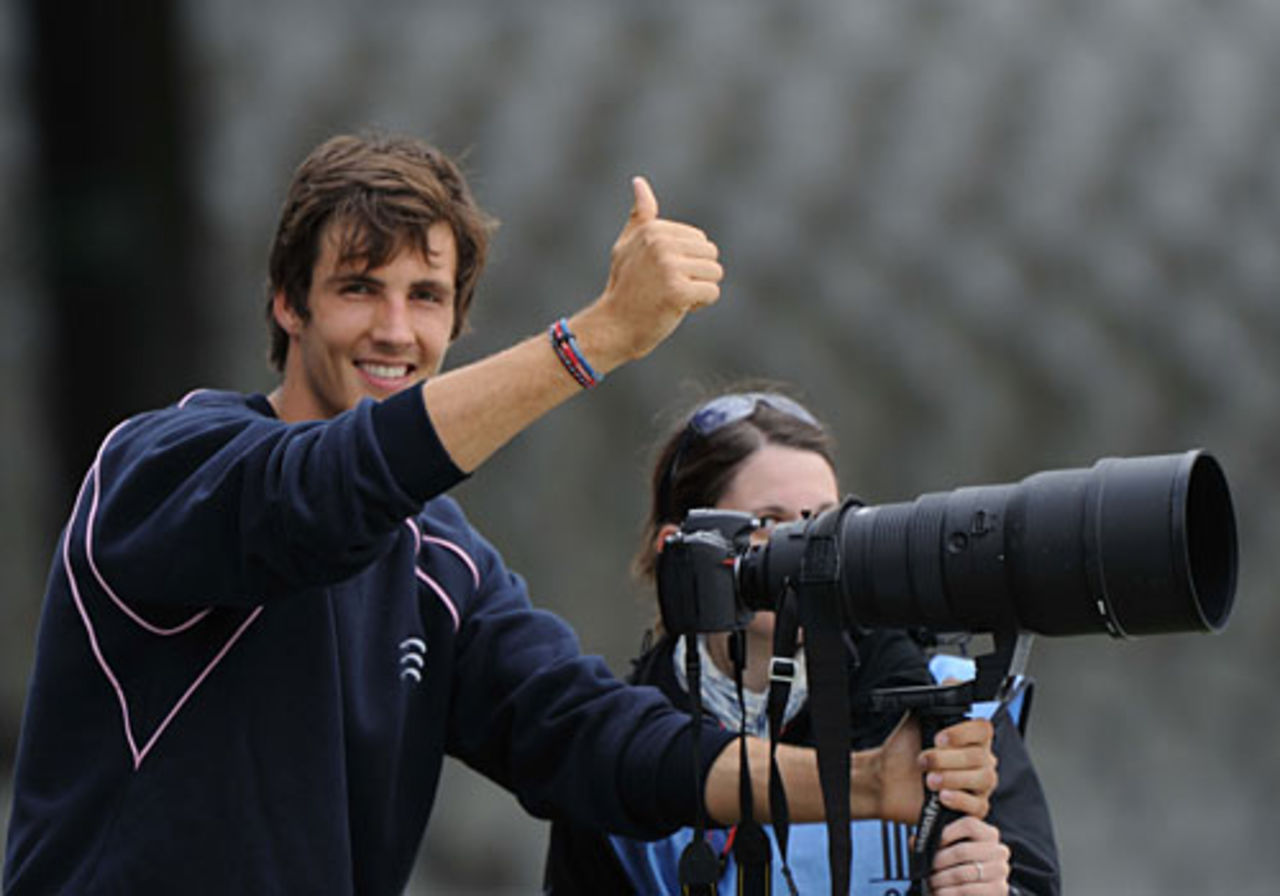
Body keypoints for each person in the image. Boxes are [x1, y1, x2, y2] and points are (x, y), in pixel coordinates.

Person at [3, 134, 997, 895]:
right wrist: (596, 337)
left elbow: (596, 738)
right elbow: (325, 492)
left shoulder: (442, 561)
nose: (395, 328)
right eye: (358, 287)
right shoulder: (163, 467)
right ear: (286, 306)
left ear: (455, 320)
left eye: (426, 295)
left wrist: (864, 782)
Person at [545, 389, 1062, 895]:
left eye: (821, 521)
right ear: (681, 555)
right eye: (769, 523)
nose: (807, 551)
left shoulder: (951, 708)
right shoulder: (620, 753)